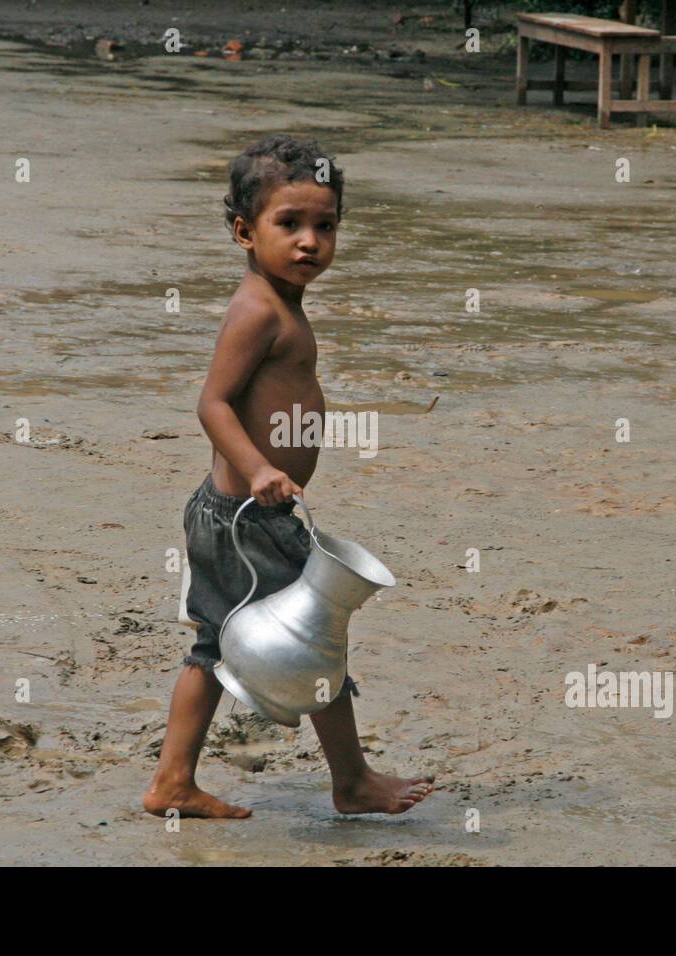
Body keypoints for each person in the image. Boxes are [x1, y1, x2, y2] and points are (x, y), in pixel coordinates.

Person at [144, 134, 436, 819]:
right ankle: (352, 781)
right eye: (289, 225)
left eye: (325, 226)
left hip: (250, 514)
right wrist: (261, 467)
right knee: (316, 639)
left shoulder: (283, 305)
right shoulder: (257, 312)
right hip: (244, 518)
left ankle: (174, 782)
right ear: (245, 233)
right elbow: (211, 403)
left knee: (220, 648)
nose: (310, 242)